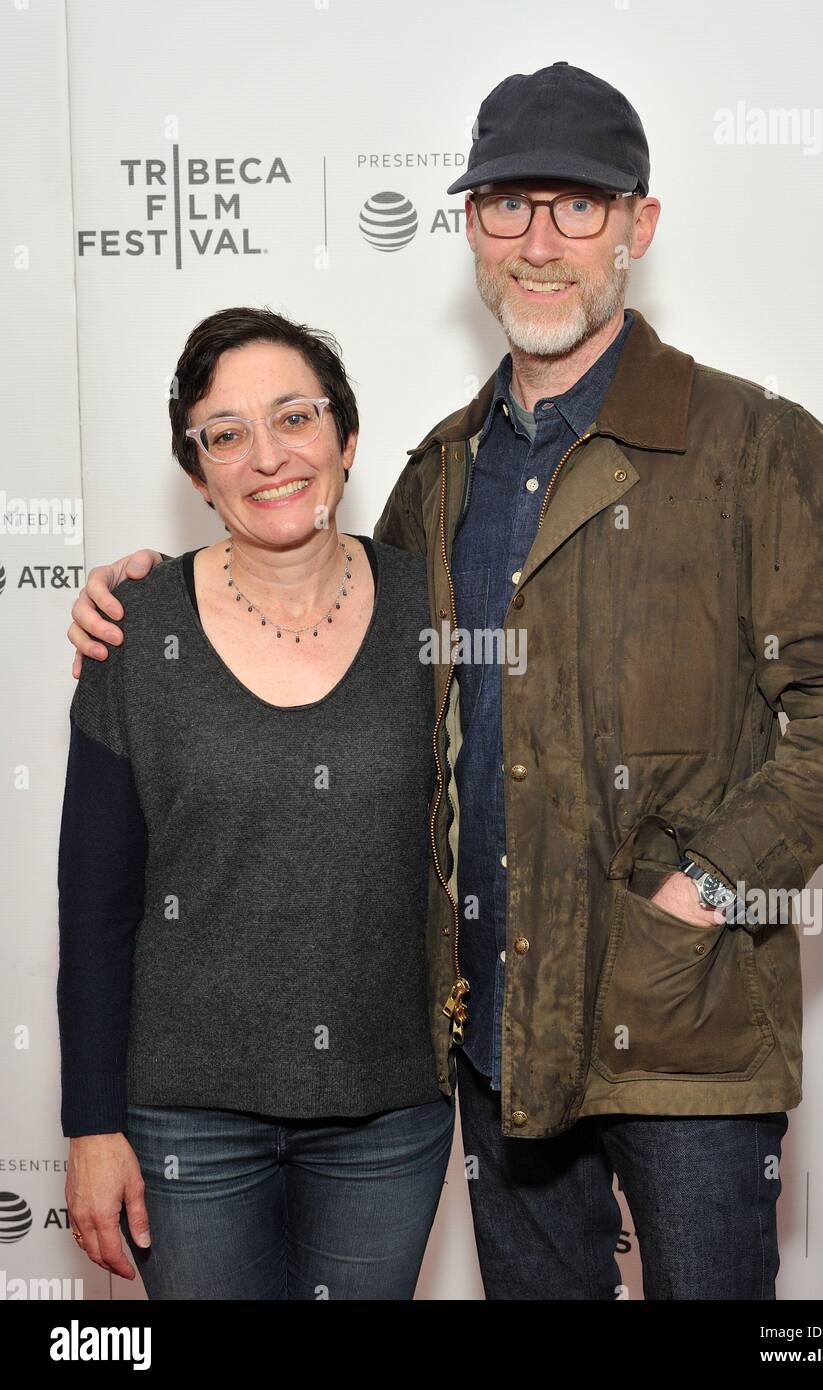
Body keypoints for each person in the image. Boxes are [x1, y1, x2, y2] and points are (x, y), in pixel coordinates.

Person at [66, 63, 823, 1301]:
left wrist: (703, 889)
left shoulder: (753, 445)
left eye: (578, 207)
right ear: (469, 231)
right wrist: (153, 589)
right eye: (508, 207)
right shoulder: (439, 475)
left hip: (684, 1035)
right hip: (490, 1048)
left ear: (639, 227)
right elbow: (325, 612)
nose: (540, 242)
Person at [58, 306, 455, 1300]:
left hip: (389, 1107)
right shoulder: (135, 631)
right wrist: (90, 1124)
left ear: (347, 439)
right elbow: (95, 907)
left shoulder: (438, 614)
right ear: (196, 474)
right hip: (183, 1119)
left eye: (295, 417)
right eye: (224, 434)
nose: (266, 455)